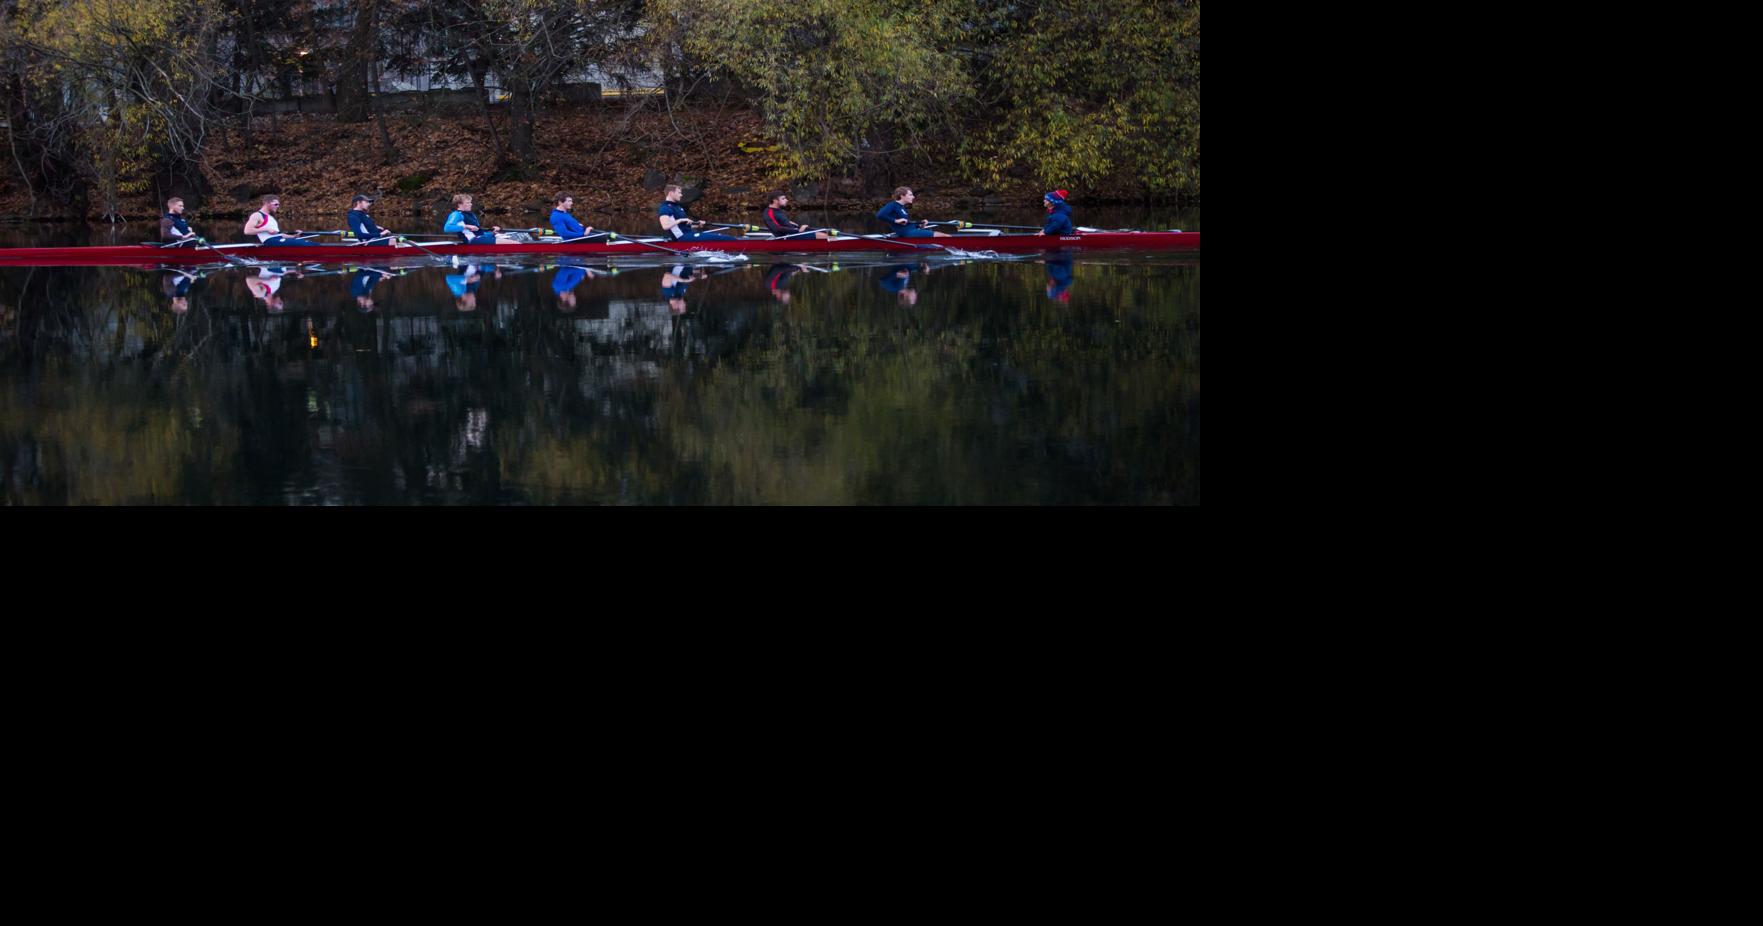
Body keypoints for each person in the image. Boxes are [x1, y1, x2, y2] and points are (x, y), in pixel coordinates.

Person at [658, 184, 738, 242]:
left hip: (689, 234)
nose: (681, 195)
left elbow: (683, 226)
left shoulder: (678, 207)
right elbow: (665, 226)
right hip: (681, 238)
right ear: (671, 193)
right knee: (723, 239)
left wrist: (696, 225)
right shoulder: (665, 208)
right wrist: (681, 220)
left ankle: (735, 241)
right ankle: (738, 244)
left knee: (723, 237)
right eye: (679, 193)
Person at [243, 195, 318, 246]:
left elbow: (279, 234)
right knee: (304, 244)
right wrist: (266, 229)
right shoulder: (257, 215)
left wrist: (294, 236)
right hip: (270, 242)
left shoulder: (270, 217)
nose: (278, 206)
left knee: (312, 243)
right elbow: (247, 231)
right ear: (267, 203)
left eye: (278, 205)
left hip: (278, 240)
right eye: (276, 204)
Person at [875, 187, 949, 238]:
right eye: (910, 195)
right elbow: (880, 215)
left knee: (945, 235)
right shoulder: (892, 205)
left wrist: (920, 225)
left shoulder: (902, 207)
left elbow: (906, 223)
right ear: (902, 196)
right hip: (907, 233)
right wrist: (895, 221)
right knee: (946, 236)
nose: (913, 197)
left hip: (911, 231)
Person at [444, 193, 518, 245]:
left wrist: (491, 231)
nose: (471, 204)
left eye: (470, 202)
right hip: (472, 240)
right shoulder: (457, 214)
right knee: (516, 244)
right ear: (460, 204)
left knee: (510, 237)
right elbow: (447, 228)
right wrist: (466, 226)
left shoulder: (470, 214)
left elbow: (478, 232)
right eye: (468, 203)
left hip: (479, 237)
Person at [761, 192, 828, 239]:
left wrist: (798, 227)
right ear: (775, 201)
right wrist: (798, 231)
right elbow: (777, 228)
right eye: (783, 198)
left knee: (827, 232)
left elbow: (785, 222)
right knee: (824, 236)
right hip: (785, 236)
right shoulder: (768, 213)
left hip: (794, 232)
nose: (786, 200)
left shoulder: (778, 210)